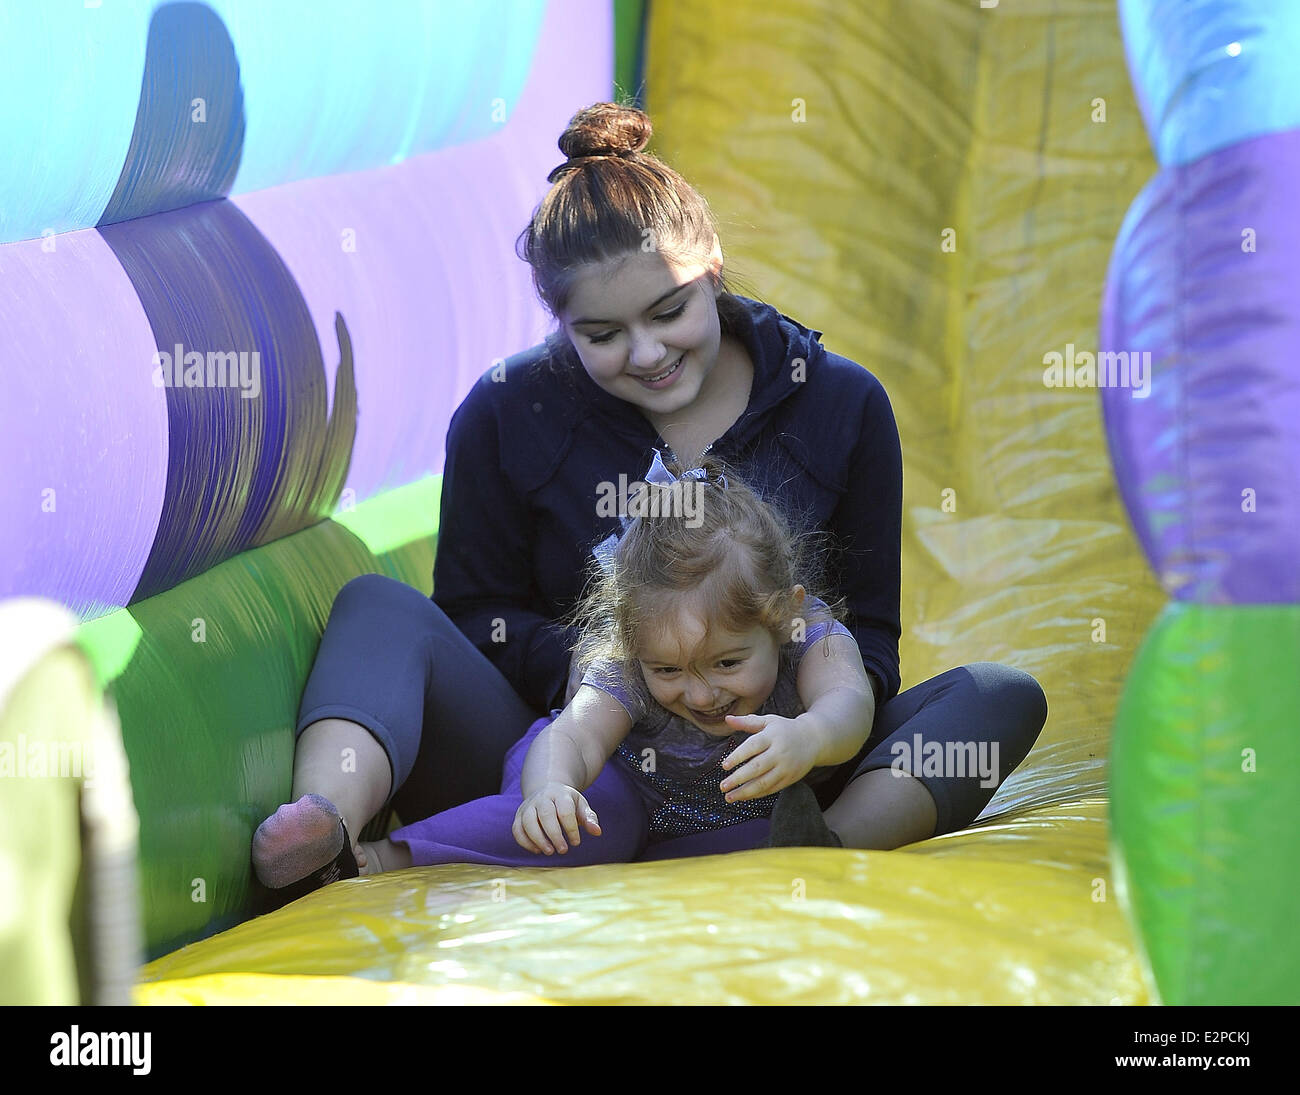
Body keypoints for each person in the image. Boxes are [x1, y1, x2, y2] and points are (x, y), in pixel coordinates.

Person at [251, 100, 1048, 905]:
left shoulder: (837, 403)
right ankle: (328, 831)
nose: (648, 352)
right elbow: (475, 619)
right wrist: (622, 676)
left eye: (669, 311)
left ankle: (817, 849)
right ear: (560, 322)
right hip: (565, 779)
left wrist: (789, 713)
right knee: (379, 609)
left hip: (769, 766)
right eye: (601, 334)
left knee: (994, 698)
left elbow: (870, 638)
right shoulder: (506, 413)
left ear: (710, 263)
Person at [357, 457, 876, 873]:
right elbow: (573, 736)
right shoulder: (629, 660)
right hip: (613, 791)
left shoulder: (807, 633)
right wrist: (550, 791)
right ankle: (386, 857)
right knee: (586, 827)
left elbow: (848, 700)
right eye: (668, 671)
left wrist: (809, 735)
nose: (700, 695)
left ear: (781, 614)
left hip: (705, 832)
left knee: (777, 840)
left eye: (725, 662)